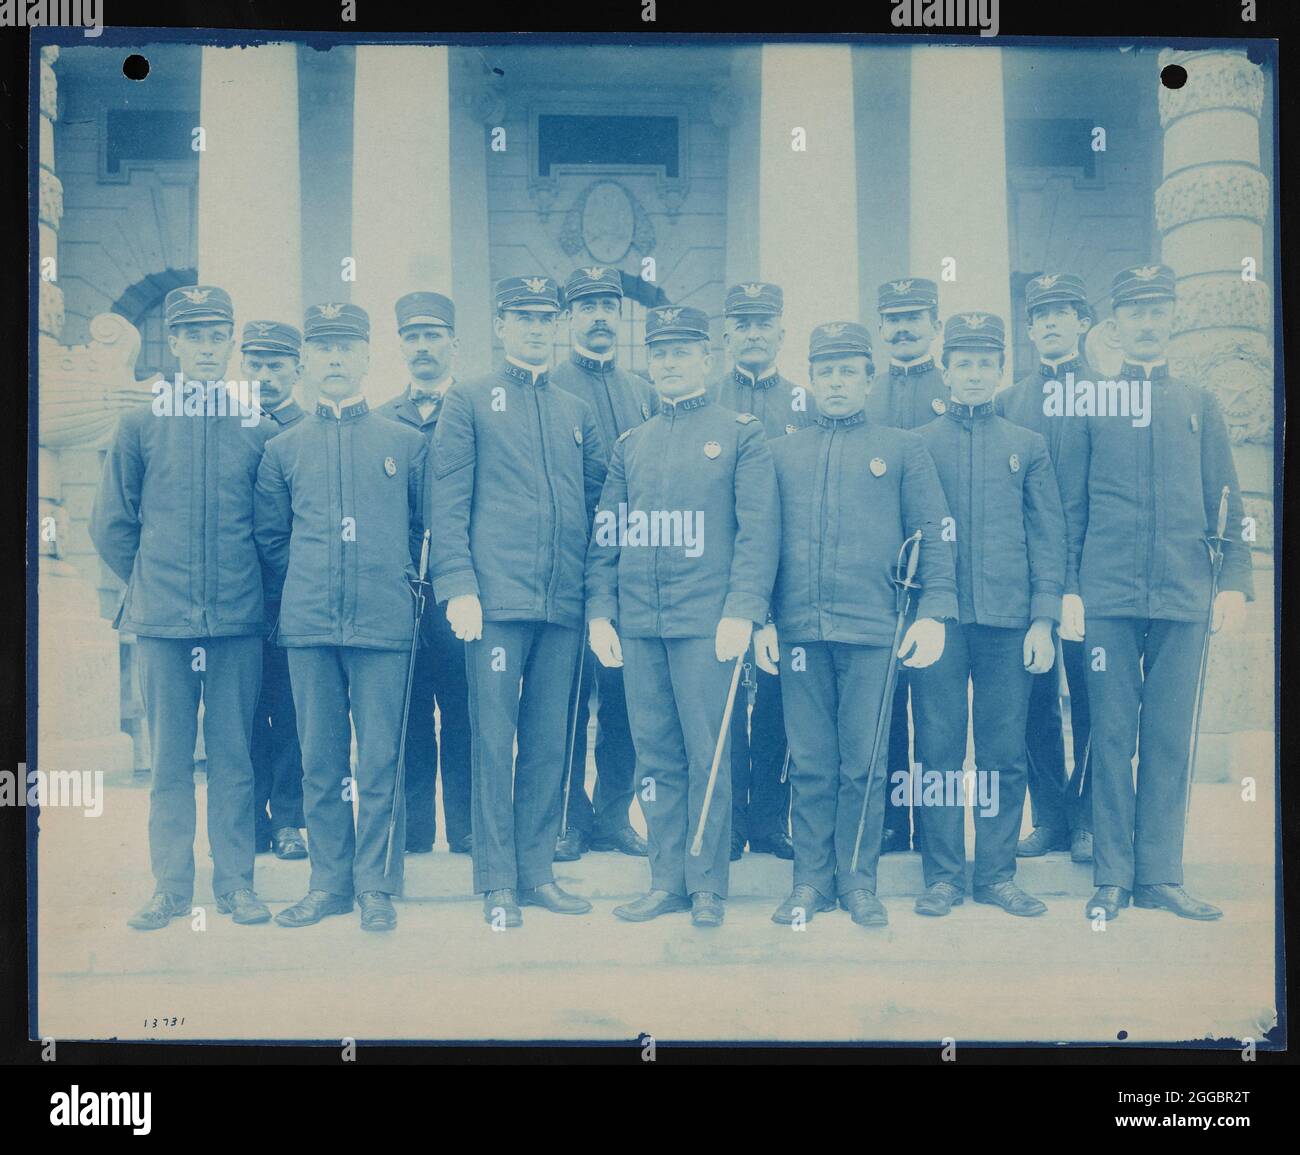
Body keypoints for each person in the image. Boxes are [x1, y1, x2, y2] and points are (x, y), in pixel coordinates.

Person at [1059, 264, 1252, 922]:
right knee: (1112, 734)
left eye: (1157, 309)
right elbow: (1071, 507)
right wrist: (1068, 589)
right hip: (1108, 595)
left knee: (1169, 737)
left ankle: (1161, 874)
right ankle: (1112, 876)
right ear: (1116, 323)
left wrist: (1234, 582)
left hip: (1182, 595)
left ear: (1171, 317)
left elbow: (1227, 499)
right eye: (1134, 311)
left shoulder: (1200, 403)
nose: (1146, 322)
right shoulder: (1091, 407)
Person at [587, 304, 780, 928]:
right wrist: (600, 612)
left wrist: (742, 610)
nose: (670, 364)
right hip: (642, 623)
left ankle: (707, 885)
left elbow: (757, 531)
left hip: (708, 623)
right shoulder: (631, 445)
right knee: (656, 755)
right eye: (660, 354)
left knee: (710, 753)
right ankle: (665, 879)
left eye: (682, 353)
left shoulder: (741, 432)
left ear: (707, 359)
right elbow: (607, 536)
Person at [90, 285, 273, 930]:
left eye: (216, 334)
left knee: (233, 759)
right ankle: (170, 887)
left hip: (236, 624)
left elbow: (271, 529)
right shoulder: (142, 421)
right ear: (173, 342)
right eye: (192, 334)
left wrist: (249, 594)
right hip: (164, 626)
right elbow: (111, 523)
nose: (204, 346)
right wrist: (153, 583)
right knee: (167, 761)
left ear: (230, 343)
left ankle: (237, 885)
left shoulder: (255, 423)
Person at [764, 321, 953, 929]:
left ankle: (858, 881)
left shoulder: (902, 449)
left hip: (875, 629)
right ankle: (809, 883)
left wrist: (932, 613)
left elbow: (933, 536)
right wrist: (765, 618)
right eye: (826, 372)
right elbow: (761, 543)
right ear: (811, 381)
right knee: (811, 759)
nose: (837, 383)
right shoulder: (782, 451)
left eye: (849, 371)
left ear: (868, 380)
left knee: (863, 762)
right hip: (800, 630)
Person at [431, 275, 606, 927]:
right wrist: (459, 585)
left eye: (544, 317)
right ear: (501, 325)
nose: (535, 327)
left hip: (561, 604)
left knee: (549, 743)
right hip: (495, 605)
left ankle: (537, 872)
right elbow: (446, 502)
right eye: (522, 316)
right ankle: (498, 879)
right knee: (492, 738)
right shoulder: (469, 400)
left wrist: (594, 598)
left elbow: (595, 509)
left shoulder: (573, 410)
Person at [255, 302, 428, 933]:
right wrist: (312, 586)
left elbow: (419, 528)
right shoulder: (282, 448)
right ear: (305, 362)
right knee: (319, 761)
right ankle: (328, 883)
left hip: (384, 625)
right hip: (308, 627)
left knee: (380, 759)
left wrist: (386, 580)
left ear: (365, 358)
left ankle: (376, 884)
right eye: (322, 349)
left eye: (346, 347)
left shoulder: (405, 444)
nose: (333, 359)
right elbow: (273, 540)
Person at [910, 310, 1065, 918]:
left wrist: (1043, 619)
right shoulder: (919, 443)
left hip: (1009, 625)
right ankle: (944, 875)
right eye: (963, 364)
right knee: (940, 750)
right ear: (945, 372)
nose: (973, 375)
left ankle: (997, 874)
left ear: (1000, 371)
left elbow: (1047, 536)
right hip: (940, 625)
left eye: (985, 364)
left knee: (1002, 750)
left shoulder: (1027, 446)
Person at [549, 265, 656, 861]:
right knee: (566, 699)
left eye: (607, 306)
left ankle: (615, 815)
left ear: (620, 316)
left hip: (633, 572)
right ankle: (571, 818)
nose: (597, 317)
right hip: (569, 567)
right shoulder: (554, 387)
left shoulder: (643, 391)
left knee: (624, 702)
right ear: (569, 319)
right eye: (585, 306)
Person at [996, 273, 1096, 864]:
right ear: (1029, 328)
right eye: (1042, 315)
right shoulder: (1010, 402)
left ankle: (1085, 819)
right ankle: (1050, 816)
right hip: (1028, 582)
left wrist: (1078, 583)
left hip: (1090, 579)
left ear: (1084, 322)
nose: (1052, 323)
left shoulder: (1106, 395)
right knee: (1033, 702)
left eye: (1064, 311)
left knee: (1089, 700)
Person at [711, 280, 810, 861]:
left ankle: (771, 820)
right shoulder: (707, 397)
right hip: (720, 578)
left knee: (777, 703)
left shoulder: (806, 402)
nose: (752, 333)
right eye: (741, 323)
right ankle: (726, 823)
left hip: (789, 572)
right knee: (719, 701)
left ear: (781, 331)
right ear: (726, 335)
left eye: (762, 323)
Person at [374, 291, 472, 857]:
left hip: (461, 589)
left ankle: (465, 831)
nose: (422, 347)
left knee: (464, 709)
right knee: (406, 710)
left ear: (453, 343)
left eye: (433, 336)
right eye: (412, 337)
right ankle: (412, 835)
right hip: (403, 588)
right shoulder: (384, 420)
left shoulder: (477, 410)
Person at [865, 276, 951, 854]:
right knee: (885, 712)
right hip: (882, 586)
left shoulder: (961, 388)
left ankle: (938, 836)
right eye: (893, 317)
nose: (903, 327)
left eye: (915, 316)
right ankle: (894, 826)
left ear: (936, 326)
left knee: (941, 721)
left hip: (947, 583)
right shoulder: (863, 398)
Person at [242, 320, 308, 861]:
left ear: (296, 369)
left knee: (290, 713)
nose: (265, 376)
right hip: (239, 599)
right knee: (242, 715)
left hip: (295, 597)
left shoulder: (310, 430)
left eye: (276, 366)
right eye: (256, 365)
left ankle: (289, 820)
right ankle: (252, 820)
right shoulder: (228, 427)